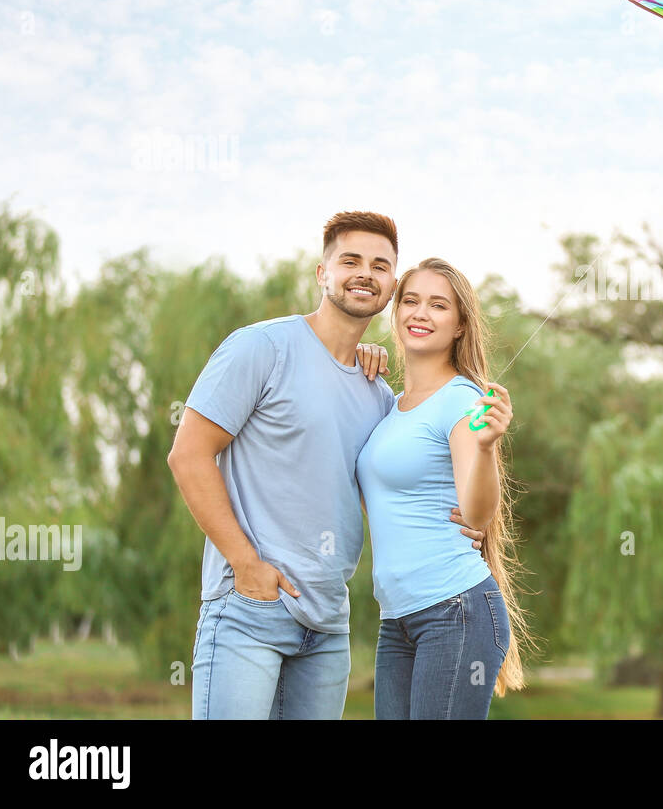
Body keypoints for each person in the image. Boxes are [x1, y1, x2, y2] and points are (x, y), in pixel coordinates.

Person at [167, 211, 485, 719]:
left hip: (328, 628)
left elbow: (397, 489)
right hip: (250, 608)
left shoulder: (379, 394)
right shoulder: (262, 348)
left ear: (390, 288)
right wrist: (246, 565)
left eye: (381, 266)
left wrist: (463, 528)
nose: (365, 273)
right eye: (350, 260)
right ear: (322, 272)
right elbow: (187, 454)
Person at [358, 257, 529, 719]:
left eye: (438, 305)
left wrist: (488, 446)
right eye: (410, 301)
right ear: (395, 313)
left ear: (458, 326)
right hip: (396, 620)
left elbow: (476, 516)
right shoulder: (389, 408)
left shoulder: (461, 399)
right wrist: (359, 360)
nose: (420, 313)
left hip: (454, 610)